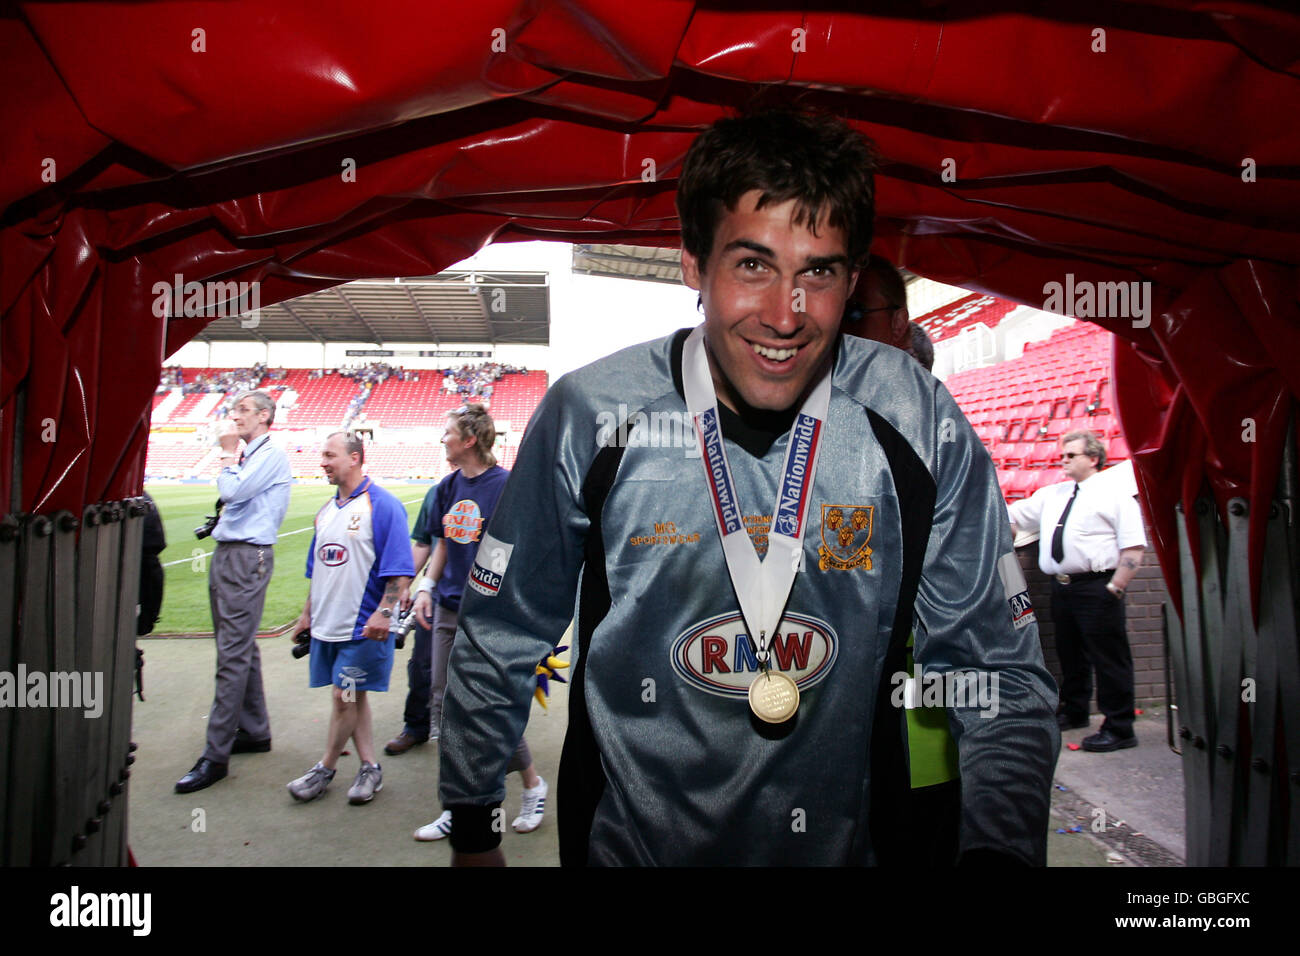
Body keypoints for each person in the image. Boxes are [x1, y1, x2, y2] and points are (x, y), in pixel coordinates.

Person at [437, 108, 1059, 866]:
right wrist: (473, 827)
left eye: (818, 272)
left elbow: (998, 673)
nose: (784, 315)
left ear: (852, 278)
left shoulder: (917, 420)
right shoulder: (592, 414)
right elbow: (503, 631)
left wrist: (1001, 854)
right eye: (753, 265)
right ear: (695, 266)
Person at [402, 404, 548, 841]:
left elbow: (512, 549)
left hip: (486, 613)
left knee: (487, 706)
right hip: (447, 607)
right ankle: (458, 804)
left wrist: (489, 597)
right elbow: (443, 543)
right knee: (445, 703)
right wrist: (426, 586)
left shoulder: (504, 486)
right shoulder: (448, 487)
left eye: (448, 432)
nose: (442, 438)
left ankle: (532, 785)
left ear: (469, 439)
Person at [285, 432, 414, 804]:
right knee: (351, 699)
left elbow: (400, 571)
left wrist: (384, 612)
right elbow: (318, 571)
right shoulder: (325, 512)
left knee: (344, 698)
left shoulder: (384, 505)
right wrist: (306, 615)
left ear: (355, 458)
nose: (322, 462)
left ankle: (323, 769)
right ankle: (370, 768)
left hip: (364, 627)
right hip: (327, 625)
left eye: (330, 455)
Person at [176, 390, 292, 794]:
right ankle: (255, 731)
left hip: (245, 557)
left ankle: (215, 754)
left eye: (243, 409)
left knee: (232, 655)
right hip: (233, 554)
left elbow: (232, 493)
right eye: (234, 409)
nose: (234, 415)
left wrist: (227, 455)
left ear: (264, 416)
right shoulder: (255, 455)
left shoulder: (269, 454)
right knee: (240, 647)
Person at [1008, 430, 1147, 752]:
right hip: (1064, 588)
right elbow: (1012, 515)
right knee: (1071, 655)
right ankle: (1075, 710)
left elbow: (1134, 548)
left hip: (1097, 587)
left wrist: (1115, 587)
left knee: (1109, 659)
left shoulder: (1115, 495)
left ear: (1094, 458)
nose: (1063, 460)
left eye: (1071, 455)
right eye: (1063, 455)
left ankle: (1120, 727)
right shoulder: (1052, 494)